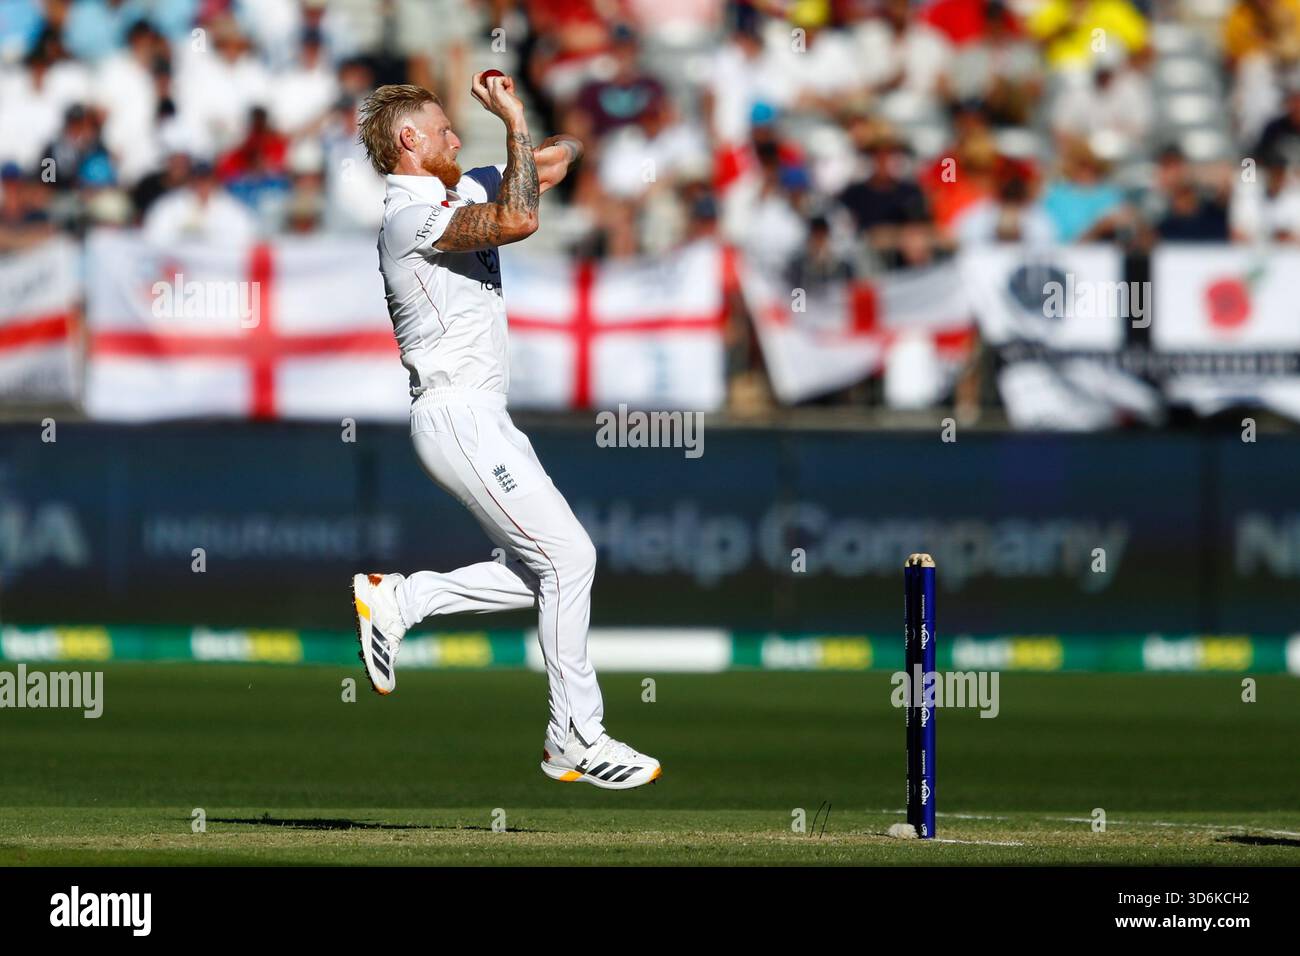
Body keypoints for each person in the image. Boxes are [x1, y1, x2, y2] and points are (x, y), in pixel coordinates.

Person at [352, 76, 662, 790]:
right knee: (571, 560)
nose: (457, 139)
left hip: (485, 415)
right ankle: (576, 738)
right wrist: (514, 122)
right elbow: (519, 221)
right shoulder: (408, 218)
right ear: (409, 141)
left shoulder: (460, 186)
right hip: (454, 411)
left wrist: (552, 130)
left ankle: (402, 600)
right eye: (444, 131)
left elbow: (557, 162)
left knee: (544, 571)